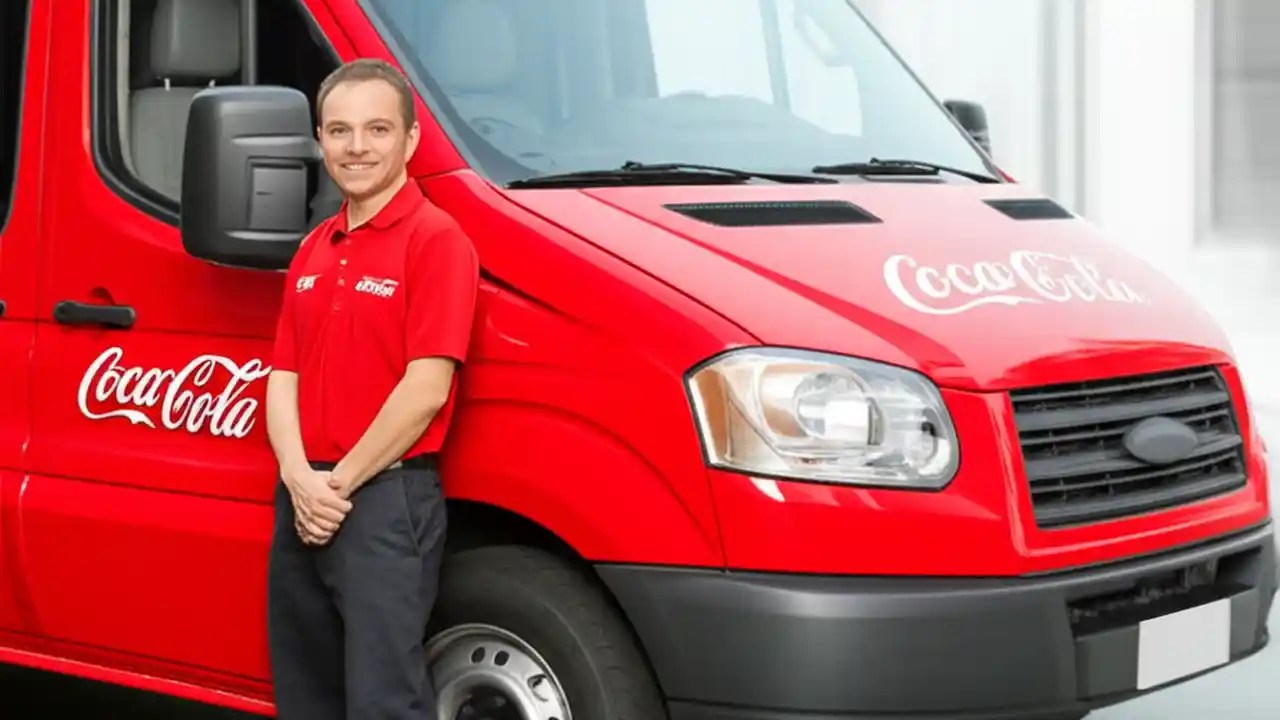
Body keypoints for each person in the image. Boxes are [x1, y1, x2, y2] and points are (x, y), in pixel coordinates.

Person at [263, 57, 479, 719]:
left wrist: (337, 485)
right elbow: (281, 377)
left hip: (384, 500)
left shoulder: (437, 241)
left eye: (377, 129)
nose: (357, 146)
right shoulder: (315, 247)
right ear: (321, 141)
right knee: (307, 690)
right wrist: (299, 478)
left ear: (410, 141)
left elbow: (426, 389)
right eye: (339, 130)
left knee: (383, 698)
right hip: (304, 497)